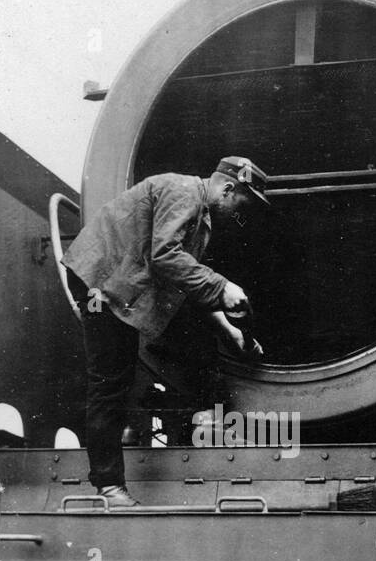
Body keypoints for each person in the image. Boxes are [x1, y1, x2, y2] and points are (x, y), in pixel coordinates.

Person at [62, 156, 269, 506]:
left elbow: (182, 284)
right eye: (241, 204)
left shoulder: (200, 220)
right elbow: (165, 257)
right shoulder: (185, 191)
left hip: (120, 288)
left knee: (119, 380)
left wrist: (228, 330)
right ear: (228, 189)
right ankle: (109, 487)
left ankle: (111, 481)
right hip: (101, 283)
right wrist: (223, 286)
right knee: (110, 384)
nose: (240, 214)